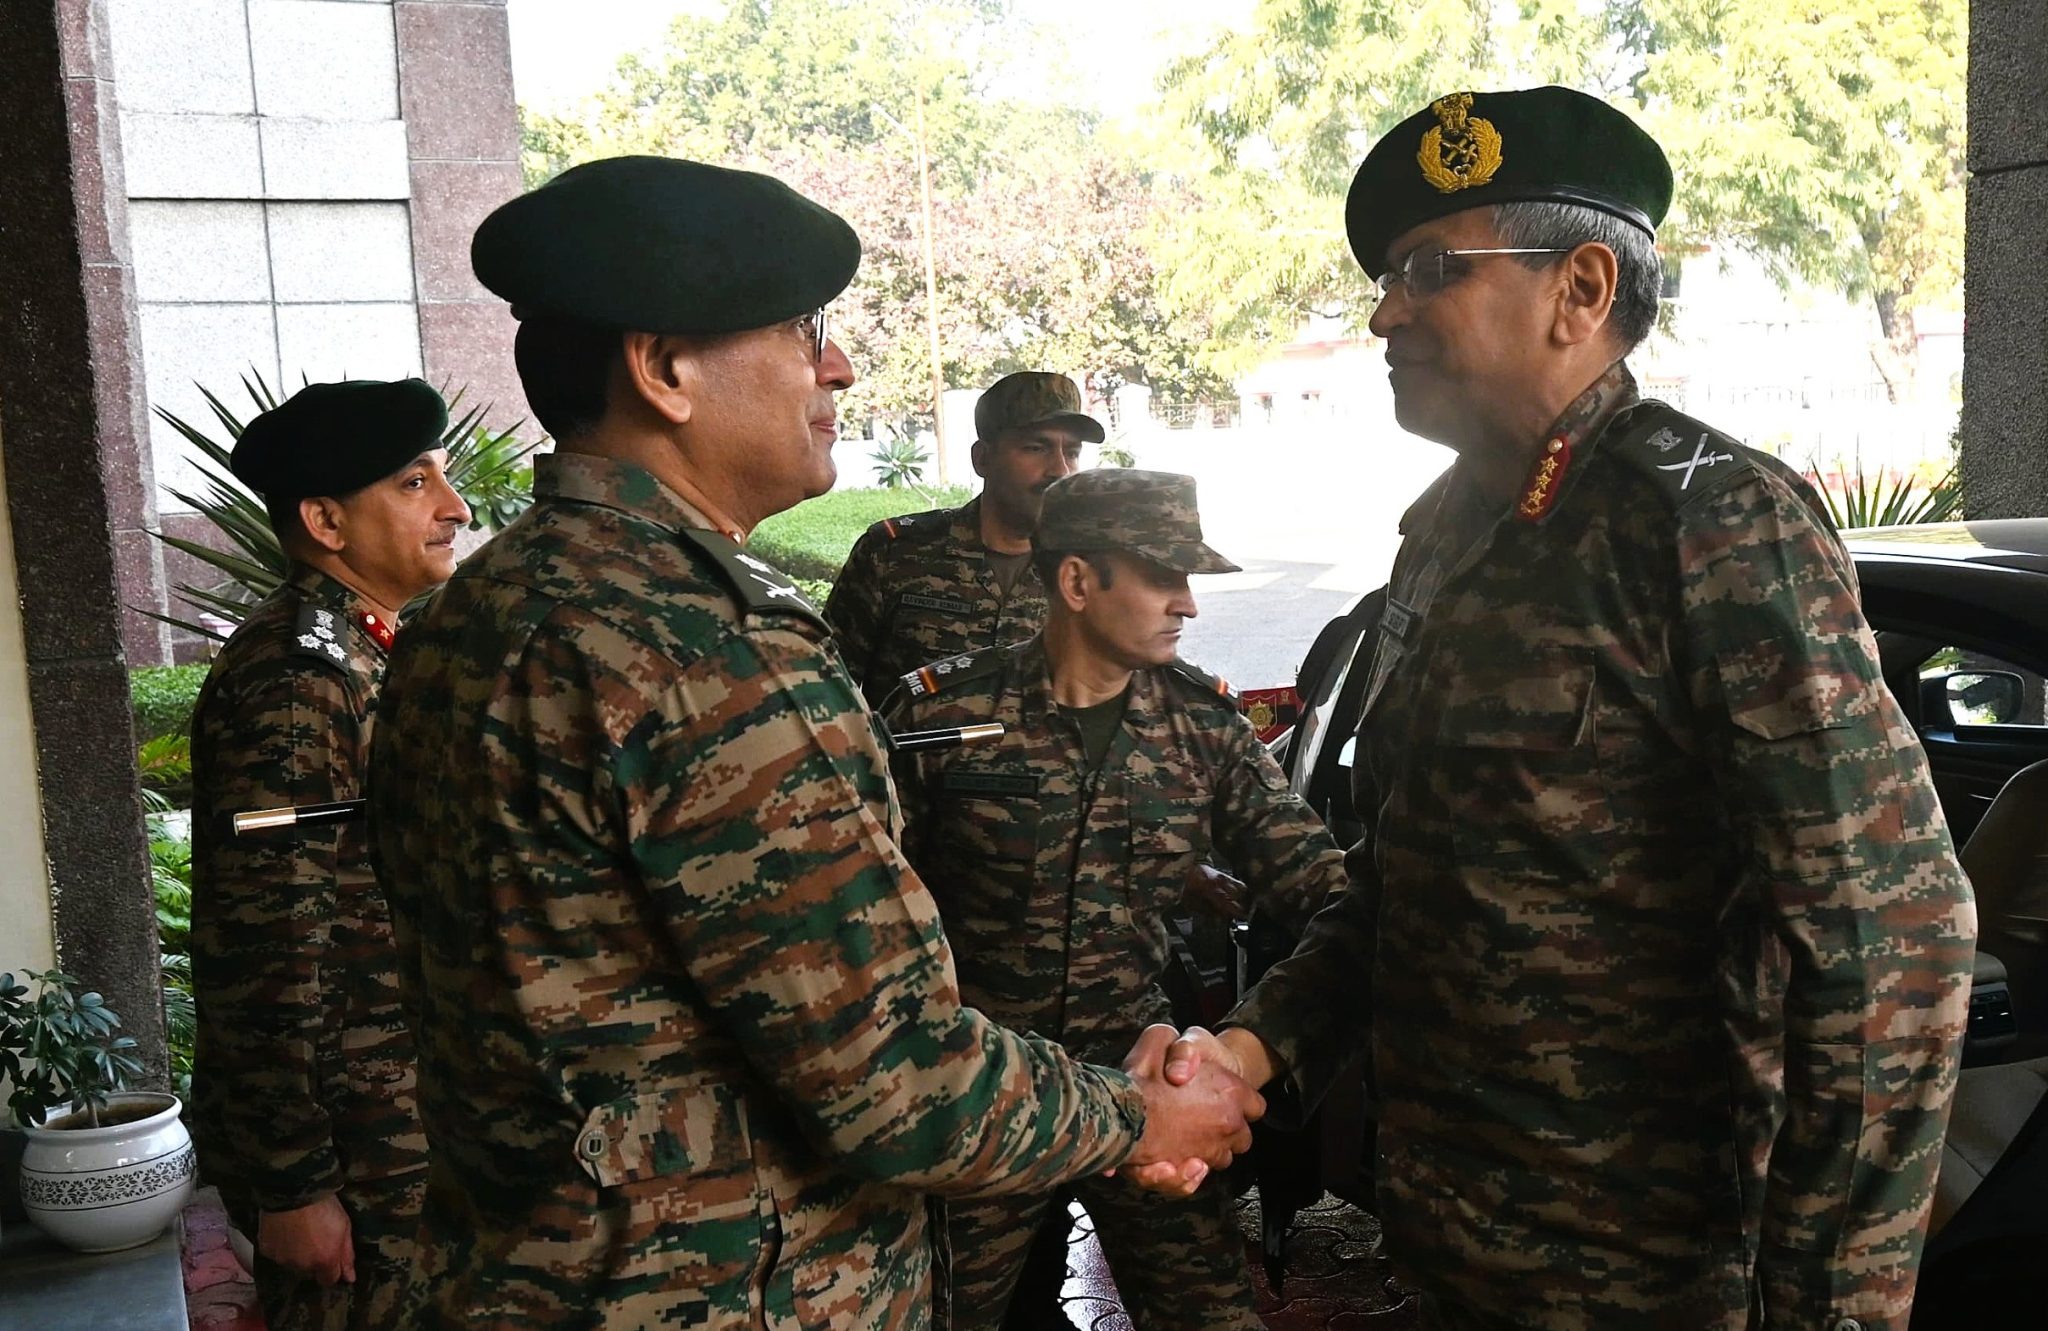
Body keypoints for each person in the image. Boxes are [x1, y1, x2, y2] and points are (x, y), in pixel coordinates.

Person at [365, 154, 1262, 1330]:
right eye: (802, 331)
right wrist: (1141, 1114)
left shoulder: (460, 619)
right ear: (665, 368)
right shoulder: (702, 648)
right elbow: (894, 1076)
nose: (835, 365)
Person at [1153, 87, 1978, 1331]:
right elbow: (1406, 886)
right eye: (1383, 276)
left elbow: (1885, 942)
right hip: (1452, 1235)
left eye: (1429, 269)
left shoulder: (1707, 520)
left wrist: (1829, 1311)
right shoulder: (1442, 530)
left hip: (1649, 1269)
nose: (1385, 312)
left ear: (1580, 289)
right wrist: (1251, 1049)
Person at [885, 469, 1352, 1331]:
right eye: (1163, 576)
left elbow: (1333, 898)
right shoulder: (939, 721)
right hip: (987, 1091)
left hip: (1143, 1087)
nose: (1188, 605)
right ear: (1075, 581)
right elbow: (865, 923)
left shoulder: (1201, 728)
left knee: (1213, 1315)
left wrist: (1239, 1048)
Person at [188, 377, 466, 1330]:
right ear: (324, 520)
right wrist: (292, 1178)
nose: (454, 505)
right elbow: (266, 945)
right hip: (351, 1144)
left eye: (443, 475)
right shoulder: (297, 677)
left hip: (397, 1116)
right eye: (412, 482)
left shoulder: (368, 649)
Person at [825, 370, 1100, 706]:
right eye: (1036, 447)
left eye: (1071, 452)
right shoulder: (894, 554)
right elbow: (830, 690)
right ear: (982, 459)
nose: (1060, 469)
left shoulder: (1091, 570)